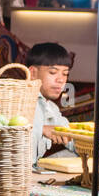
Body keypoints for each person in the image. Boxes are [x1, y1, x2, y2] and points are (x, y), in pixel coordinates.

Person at [26, 42, 76, 170]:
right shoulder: (15, 101)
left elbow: (70, 135)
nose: (61, 80)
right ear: (32, 73)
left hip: (34, 170)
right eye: (53, 72)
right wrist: (41, 129)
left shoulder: (51, 108)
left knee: (81, 157)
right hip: (12, 173)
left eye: (65, 74)